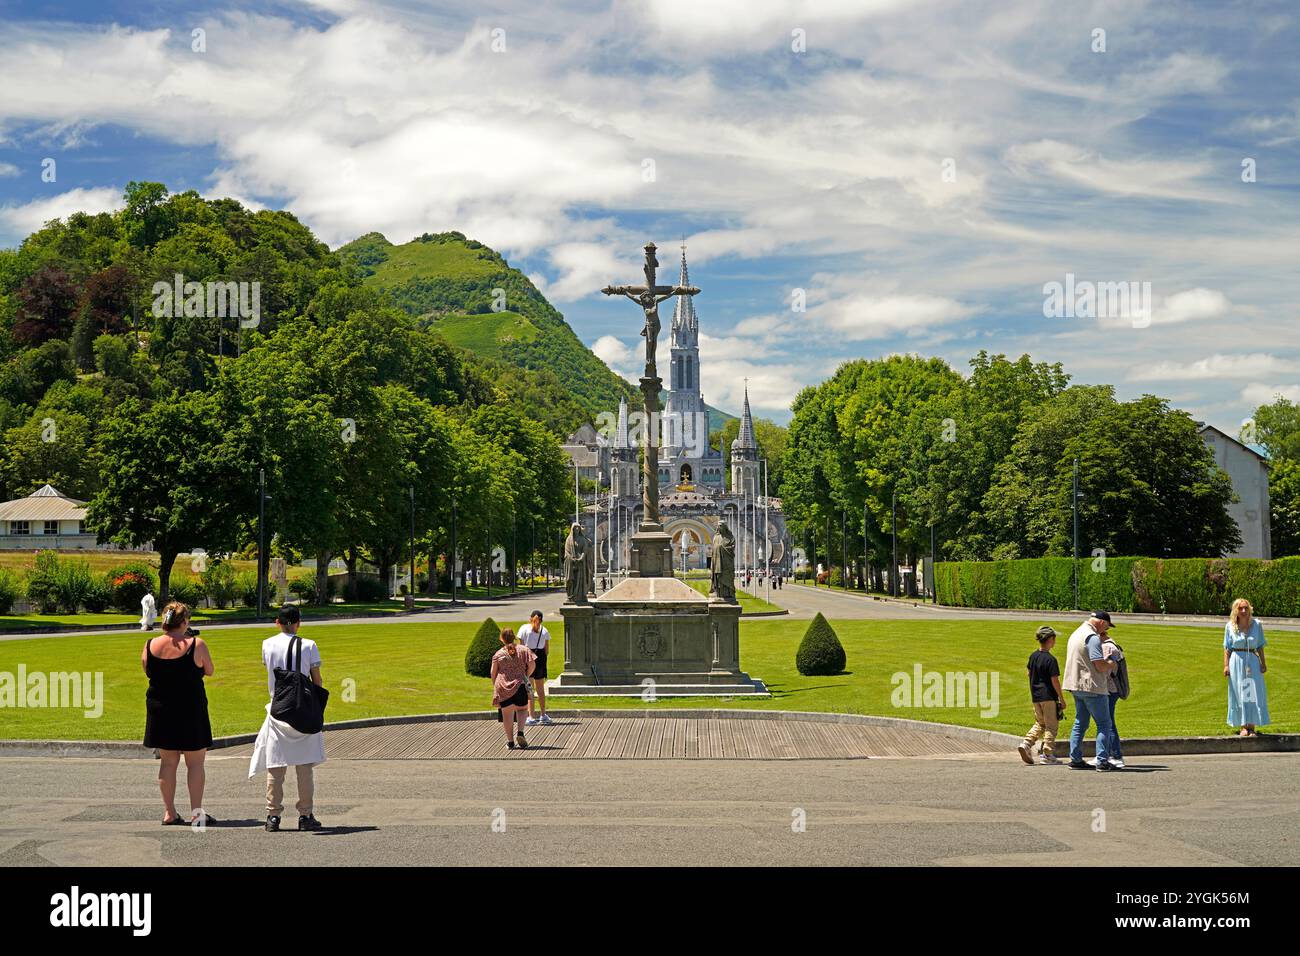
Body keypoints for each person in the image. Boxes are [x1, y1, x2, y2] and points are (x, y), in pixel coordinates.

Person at [249, 605, 325, 832]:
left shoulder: (267, 644)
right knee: (304, 767)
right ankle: (305, 815)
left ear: (277, 622)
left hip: (278, 709)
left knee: (276, 766)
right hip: (302, 708)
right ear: (298, 622)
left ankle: (273, 816)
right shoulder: (309, 645)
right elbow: (317, 680)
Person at [141, 601, 215, 825]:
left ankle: (169, 812)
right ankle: (196, 813)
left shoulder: (149, 645)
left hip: (161, 709)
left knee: (168, 763)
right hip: (190, 708)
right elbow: (209, 670)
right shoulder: (196, 644)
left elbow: (147, 669)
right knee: (195, 763)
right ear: (184, 622)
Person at [1061, 611, 1118, 771]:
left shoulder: (1076, 633)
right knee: (1104, 724)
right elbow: (1099, 665)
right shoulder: (1092, 637)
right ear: (1101, 622)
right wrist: (1111, 664)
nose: (1106, 629)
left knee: (1080, 722)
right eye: (1107, 625)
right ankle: (1102, 761)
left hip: (1075, 685)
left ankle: (1075, 758)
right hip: (1092, 686)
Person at [1018, 626, 1065, 765]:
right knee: (1051, 726)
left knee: (1040, 723)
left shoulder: (1033, 656)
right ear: (1050, 640)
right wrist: (1061, 699)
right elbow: (1054, 680)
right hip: (1049, 696)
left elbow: (1028, 672)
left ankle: (1026, 743)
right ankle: (1047, 754)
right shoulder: (1050, 660)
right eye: (1054, 638)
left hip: (1036, 696)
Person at [1224, 598, 1269, 736]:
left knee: (1253, 693)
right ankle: (1243, 726)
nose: (1243, 611)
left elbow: (1260, 646)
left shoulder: (1256, 625)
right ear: (1236, 610)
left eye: (1246, 608)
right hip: (1236, 661)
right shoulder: (1230, 626)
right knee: (1239, 692)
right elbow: (1227, 648)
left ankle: (1252, 726)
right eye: (1240, 608)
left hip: (1253, 662)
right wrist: (1226, 665)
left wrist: (1263, 663)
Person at [491, 628, 535, 750]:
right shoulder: (524, 649)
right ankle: (520, 732)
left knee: (507, 715)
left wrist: (495, 685)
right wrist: (526, 674)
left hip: (503, 687)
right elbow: (532, 664)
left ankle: (510, 742)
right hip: (520, 685)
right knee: (522, 709)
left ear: (501, 639)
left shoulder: (498, 654)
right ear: (514, 636)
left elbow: (492, 673)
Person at [1100, 630, 1128, 768]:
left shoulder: (1107, 647)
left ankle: (1115, 755)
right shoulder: (1113, 645)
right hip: (1114, 689)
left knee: (1108, 722)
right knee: (1108, 721)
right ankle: (1111, 754)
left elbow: (1104, 669)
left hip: (1110, 689)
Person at [520, 610, 552, 726]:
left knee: (530, 689)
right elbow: (546, 650)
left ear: (530, 618)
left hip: (528, 659)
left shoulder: (524, 629)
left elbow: (521, 647)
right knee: (540, 689)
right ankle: (543, 715)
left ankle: (531, 716)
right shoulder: (544, 630)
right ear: (542, 619)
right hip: (540, 659)